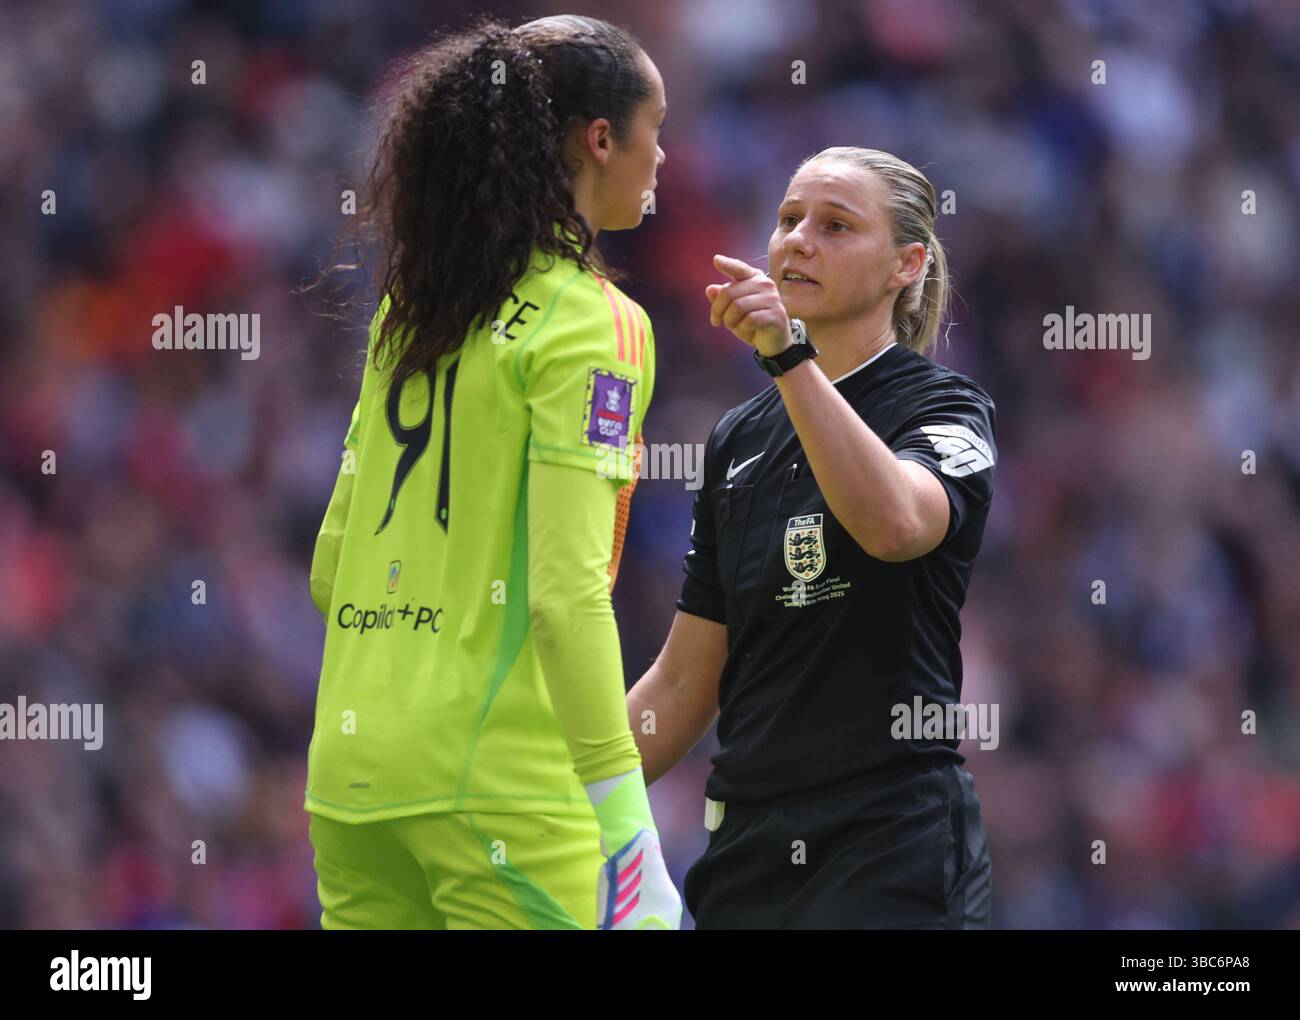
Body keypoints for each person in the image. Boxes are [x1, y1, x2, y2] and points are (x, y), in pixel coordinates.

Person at [304, 14, 679, 930]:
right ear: (601, 140)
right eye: (654, 131)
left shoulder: (414, 306)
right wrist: (628, 828)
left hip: (352, 780)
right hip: (500, 791)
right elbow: (563, 595)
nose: (661, 158)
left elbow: (329, 567)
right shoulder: (595, 323)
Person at [628, 147, 997, 929]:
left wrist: (788, 359)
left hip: (888, 841)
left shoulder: (944, 407)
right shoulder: (739, 439)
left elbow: (895, 524)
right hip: (747, 850)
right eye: (789, 219)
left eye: (835, 225)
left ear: (907, 265)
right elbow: (684, 682)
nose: (798, 240)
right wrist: (551, 792)